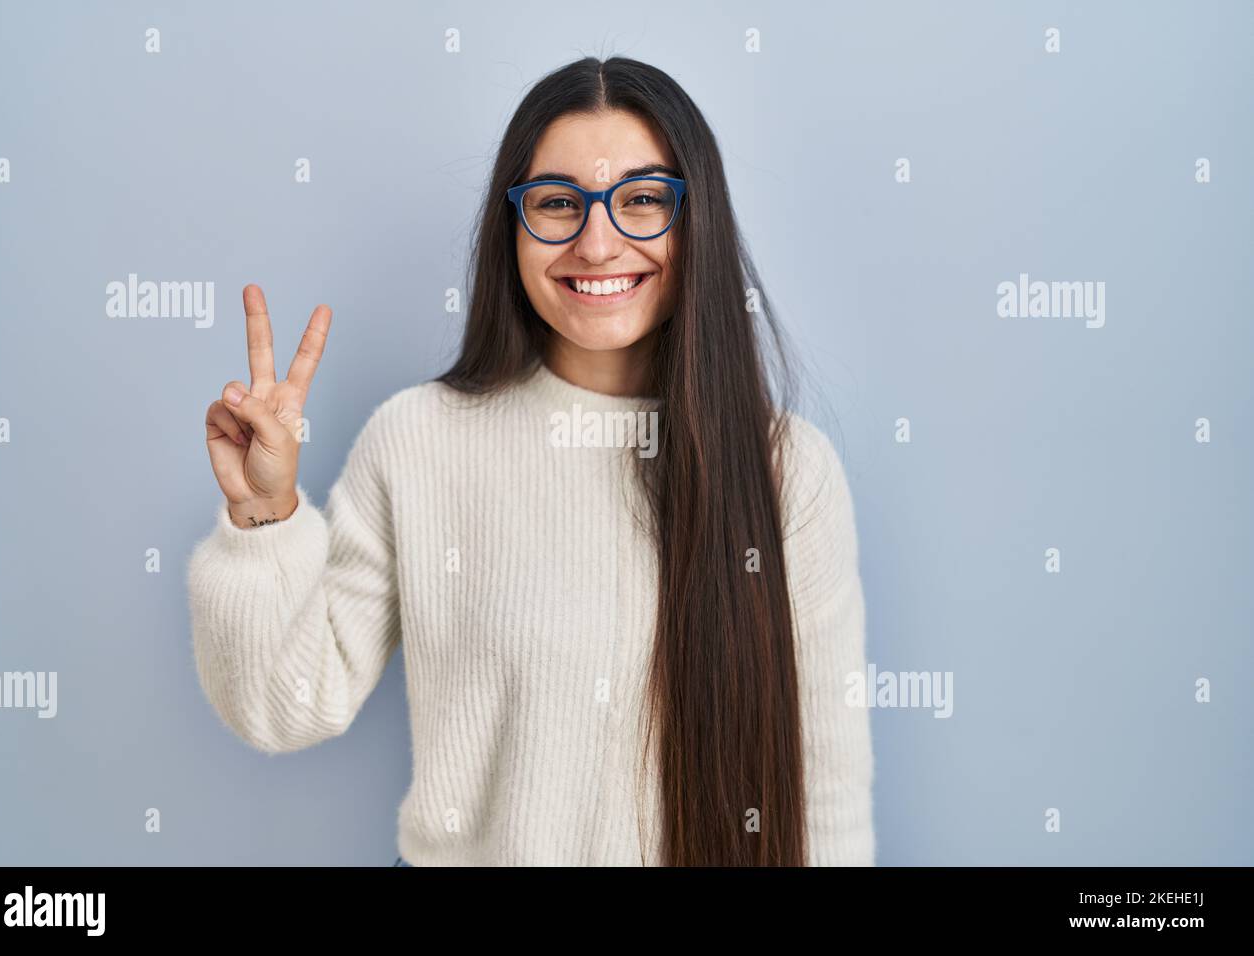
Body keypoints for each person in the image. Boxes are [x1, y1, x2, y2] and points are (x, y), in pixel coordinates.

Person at [188, 55, 874, 867]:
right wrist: (262, 517)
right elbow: (284, 706)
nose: (597, 241)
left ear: (698, 222)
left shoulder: (789, 471)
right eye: (557, 204)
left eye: (643, 200)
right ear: (511, 226)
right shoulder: (417, 441)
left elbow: (822, 794)